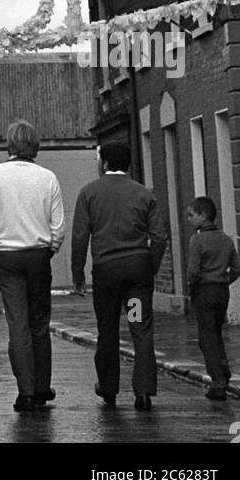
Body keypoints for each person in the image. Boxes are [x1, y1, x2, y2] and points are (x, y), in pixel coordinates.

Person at [71, 141, 167, 412]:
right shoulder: (143, 194)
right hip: (137, 273)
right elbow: (159, 237)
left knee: (108, 328)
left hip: (107, 273)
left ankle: (109, 388)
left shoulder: (89, 192)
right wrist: (151, 266)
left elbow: (80, 236)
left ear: (104, 164)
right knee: (139, 327)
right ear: (128, 164)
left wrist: (77, 273)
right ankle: (144, 391)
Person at [0, 120, 65, 412]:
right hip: (39, 255)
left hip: (8, 256)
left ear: (10, 144)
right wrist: (50, 249)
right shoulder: (48, 177)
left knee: (18, 324)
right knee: (40, 324)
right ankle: (42, 387)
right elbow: (58, 226)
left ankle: (24, 391)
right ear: (35, 145)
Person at [186, 196, 240, 401]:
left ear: (203, 215)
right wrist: (225, 280)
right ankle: (223, 367)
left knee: (206, 336)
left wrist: (193, 284)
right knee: (217, 331)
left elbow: (193, 270)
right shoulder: (226, 238)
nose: (189, 219)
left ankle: (217, 380)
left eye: (192, 215)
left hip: (204, 290)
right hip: (221, 290)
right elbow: (236, 267)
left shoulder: (197, 240)